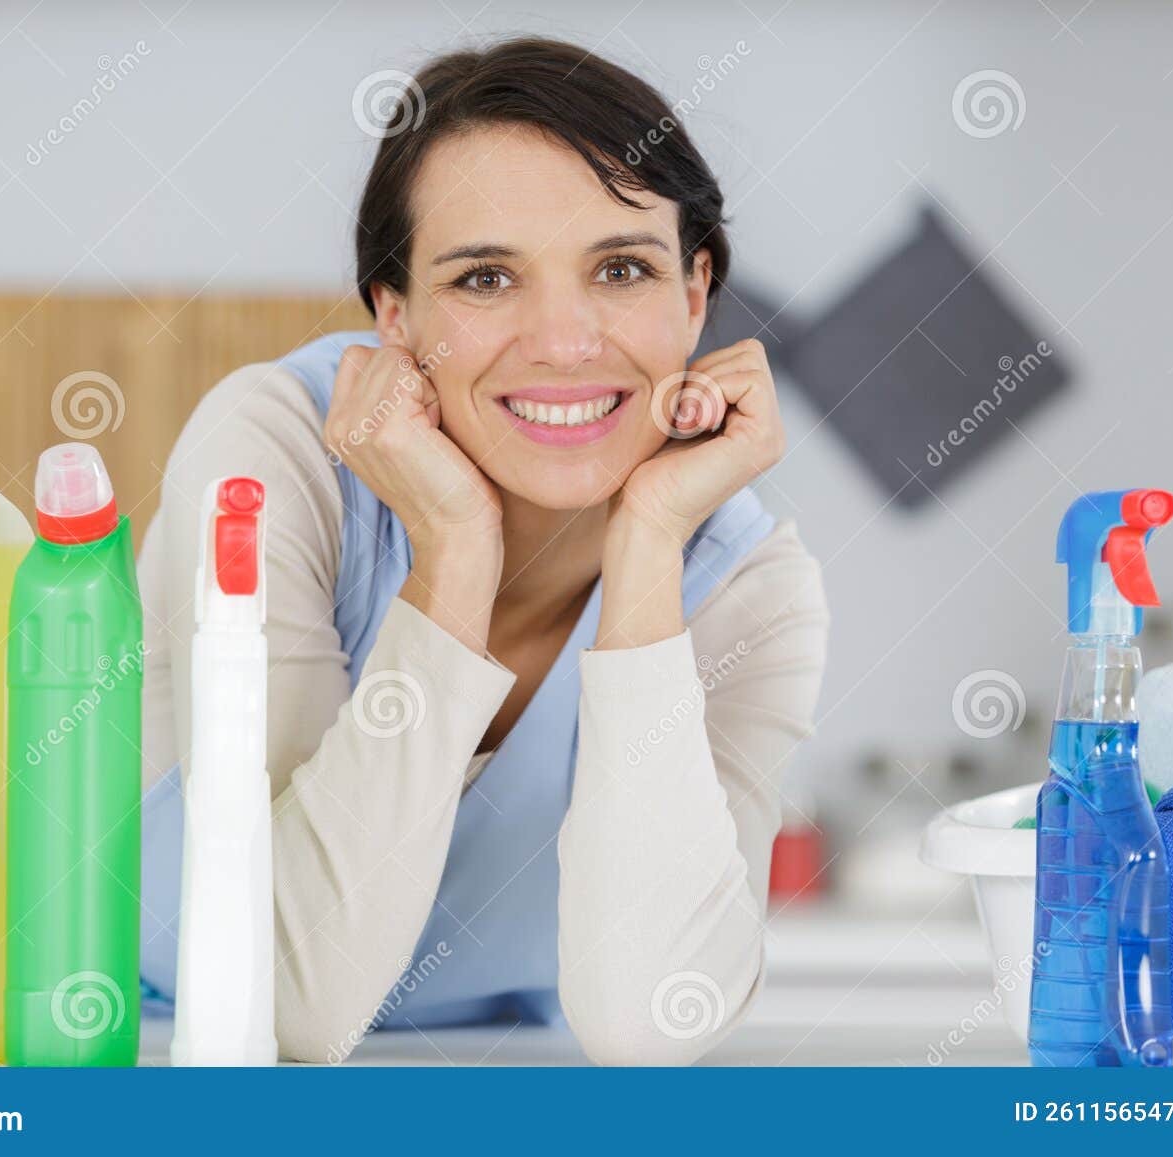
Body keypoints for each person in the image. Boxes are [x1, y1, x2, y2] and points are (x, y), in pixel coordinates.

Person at [136, 35, 829, 1066]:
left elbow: (651, 1025)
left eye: (622, 268)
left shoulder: (746, 584)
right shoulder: (269, 456)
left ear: (694, 294)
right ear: (396, 318)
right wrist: (454, 552)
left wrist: (646, 553)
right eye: (487, 277)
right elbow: (283, 1002)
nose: (562, 339)